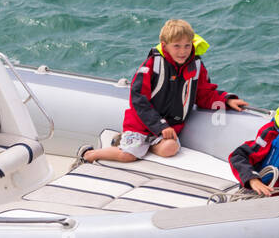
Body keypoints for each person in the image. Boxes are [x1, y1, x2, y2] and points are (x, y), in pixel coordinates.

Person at [81, 18, 248, 164]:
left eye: (187, 46)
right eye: (177, 46)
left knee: (170, 148)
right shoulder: (152, 65)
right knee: (128, 156)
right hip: (142, 124)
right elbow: (138, 99)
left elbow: (204, 93)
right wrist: (160, 126)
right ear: (164, 45)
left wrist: (226, 100)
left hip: (170, 127)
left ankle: (144, 146)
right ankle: (89, 154)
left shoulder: (196, 66)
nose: (183, 51)